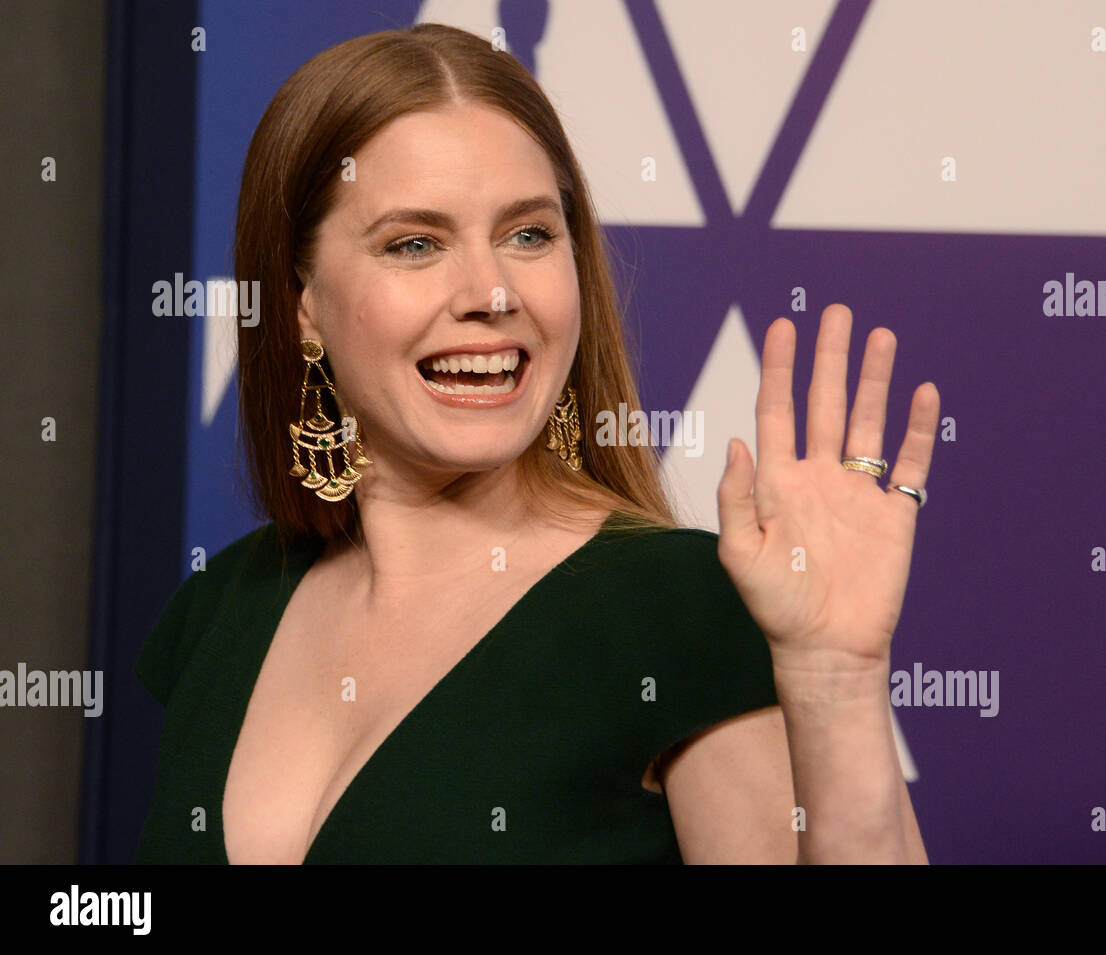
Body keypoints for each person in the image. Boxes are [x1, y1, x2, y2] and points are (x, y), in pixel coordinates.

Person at [134, 22, 939, 864]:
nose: (491, 291)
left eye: (529, 234)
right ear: (302, 303)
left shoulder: (684, 607)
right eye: (415, 243)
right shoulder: (222, 609)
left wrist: (837, 687)